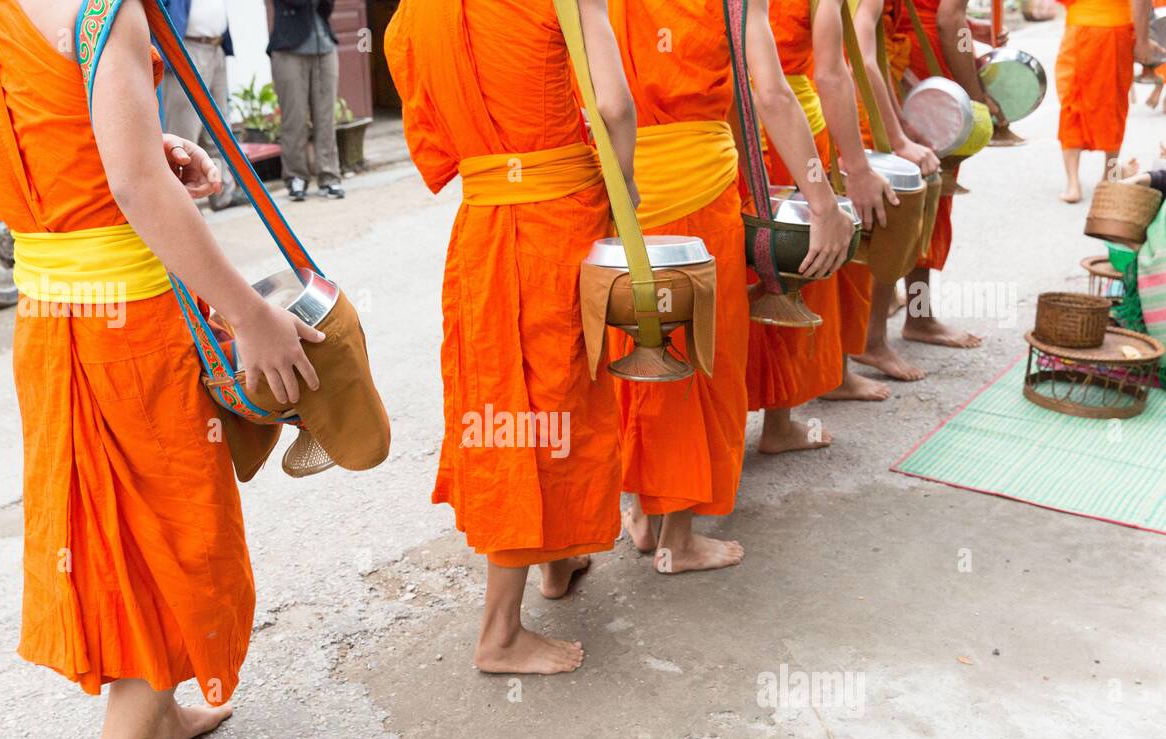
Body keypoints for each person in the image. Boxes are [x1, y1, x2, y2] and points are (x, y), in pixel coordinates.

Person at [0, 0, 325, 739]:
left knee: (109, 533)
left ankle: (160, 722)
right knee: (176, 536)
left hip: (51, 321)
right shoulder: (101, 9)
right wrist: (249, 314)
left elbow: (40, 145)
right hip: (128, 331)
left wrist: (142, 144)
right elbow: (134, 188)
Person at [386, 0, 634, 674]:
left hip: (484, 227)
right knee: (540, 409)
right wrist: (626, 195)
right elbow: (612, 105)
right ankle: (499, 635)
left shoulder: (414, 14)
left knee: (517, 399)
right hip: (556, 219)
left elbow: (431, 145)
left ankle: (558, 562)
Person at [613, 0, 853, 571]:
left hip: (622, 198)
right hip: (699, 200)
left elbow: (605, 99)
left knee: (639, 349)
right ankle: (678, 536)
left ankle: (644, 511)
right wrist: (821, 202)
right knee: (698, 357)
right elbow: (769, 94)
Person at [750, 0, 896, 451]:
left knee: (751, 271)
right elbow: (831, 75)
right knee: (795, 269)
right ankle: (780, 421)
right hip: (792, 133)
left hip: (732, 135)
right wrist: (856, 167)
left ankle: (812, 388)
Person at [847, 0, 947, 384]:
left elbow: (877, 58)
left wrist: (901, 123)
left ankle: (870, 336)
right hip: (855, 113)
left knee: (874, 228)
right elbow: (864, 60)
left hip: (858, 106)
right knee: (888, 221)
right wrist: (897, 138)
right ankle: (870, 341)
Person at [1055, 0, 1141, 203]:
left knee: (1072, 101)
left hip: (1080, 25)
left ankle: (1073, 183)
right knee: (1114, 104)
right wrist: (1143, 39)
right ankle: (1109, 177)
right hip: (1118, 28)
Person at [160, 0, 238, 209]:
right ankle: (184, 205)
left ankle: (222, 194)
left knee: (218, 128)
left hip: (216, 46)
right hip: (186, 48)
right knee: (184, 133)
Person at [266, 0, 344, 201]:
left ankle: (329, 176)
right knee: (295, 118)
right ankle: (295, 177)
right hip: (289, 49)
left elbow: (327, 6)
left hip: (324, 47)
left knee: (326, 119)